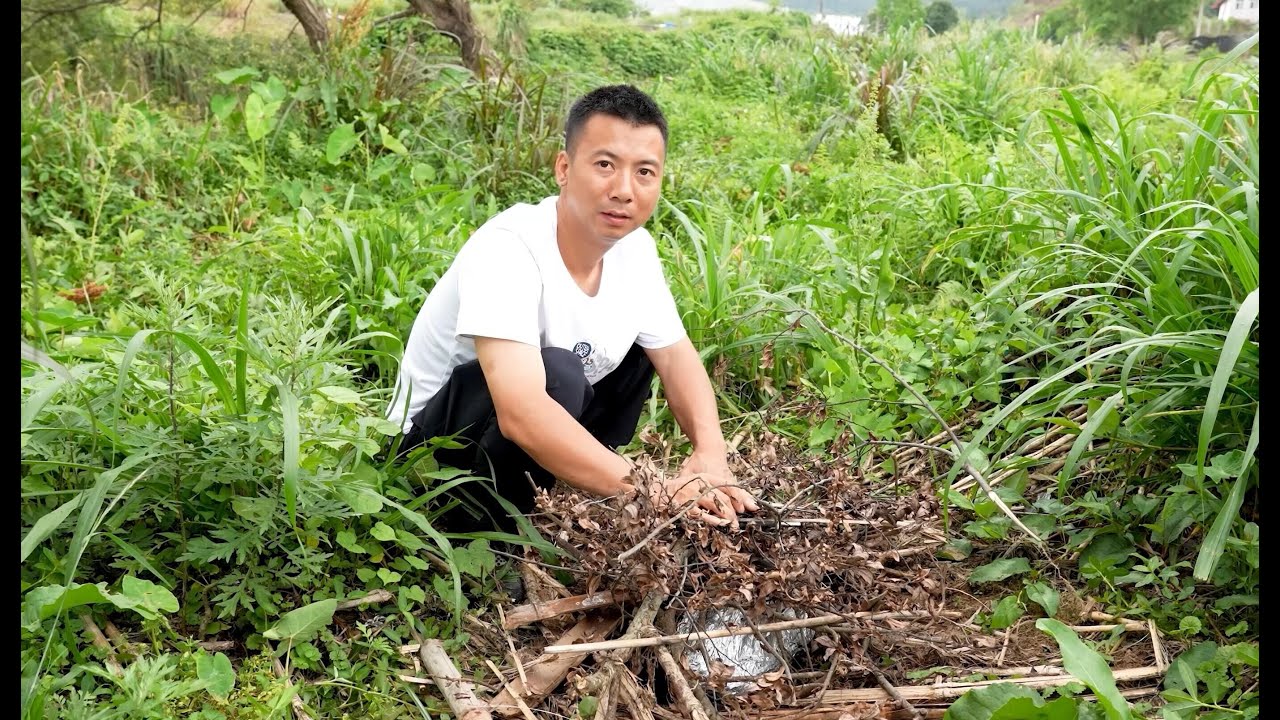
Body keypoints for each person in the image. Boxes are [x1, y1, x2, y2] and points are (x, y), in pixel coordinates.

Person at [386, 84, 758, 534]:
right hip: (429, 453)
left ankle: (571, 492)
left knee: (642, 351)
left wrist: (710, 458)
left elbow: (677, 356)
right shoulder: (509, 246)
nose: (624, 190)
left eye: (645, 172)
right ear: (564, 168)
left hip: (523, 429)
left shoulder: (635, 249)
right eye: (605, 165)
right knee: (557, 372)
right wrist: (653, 489)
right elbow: (522, 411)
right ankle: (483, 533)